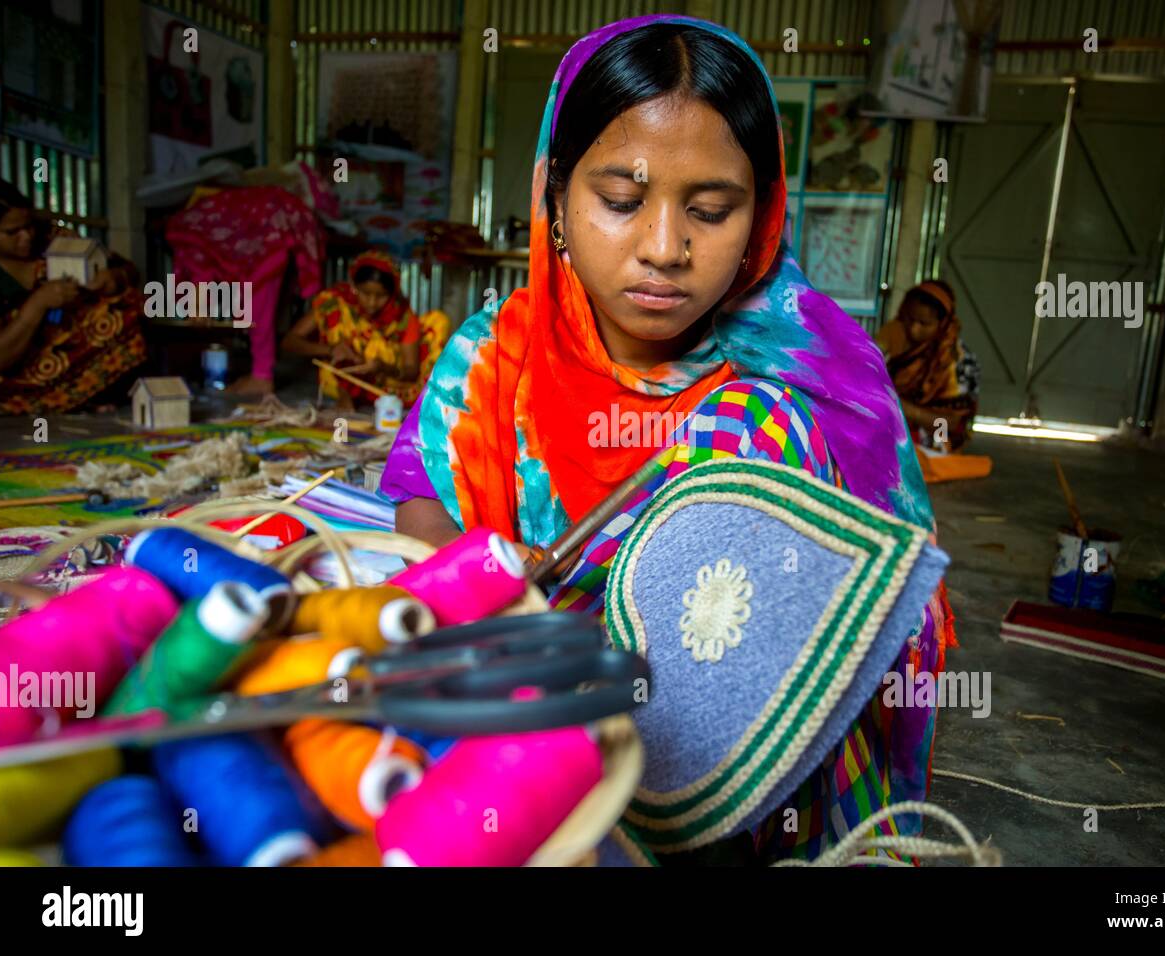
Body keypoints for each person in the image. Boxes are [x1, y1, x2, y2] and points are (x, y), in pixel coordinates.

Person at [381, 16, 954, 862]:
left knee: (751, 426)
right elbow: (422, 499)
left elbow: (883, 594)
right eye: (620, 201)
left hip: (745, 735)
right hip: (534, 706)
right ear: (555, 198)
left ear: (760, 218)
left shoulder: (810, 372)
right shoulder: (496, 355)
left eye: (711, 210)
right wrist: (485, 601)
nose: (664, 249)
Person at [0, 179, 146, 415]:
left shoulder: (53, 237)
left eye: (29, 226)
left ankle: (102, 393)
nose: (26, 236)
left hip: (75, 352)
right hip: (16, 378)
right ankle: (66, 400)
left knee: (126, 301)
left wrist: (115, 277)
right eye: (12, 232)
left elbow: (128, 269)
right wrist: (37, 305)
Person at [281, 250, 448, 409]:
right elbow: (289, 342)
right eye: (365, 294)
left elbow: (411, 371)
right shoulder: (335, 305)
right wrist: (331, 350)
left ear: (392, 293)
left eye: (381, 296)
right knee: (337, 318)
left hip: (390, 386)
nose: (372, 303)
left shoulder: (402, 316)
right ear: (354, 286)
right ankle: (345, 392)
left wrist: (382, 368)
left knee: (438, 321)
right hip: (339, 379)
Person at [877, 279, 981, 451]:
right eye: (909, 319)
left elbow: (954, 425)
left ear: (942, 323)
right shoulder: (897, 332)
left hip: (937, 435)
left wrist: (900, 407)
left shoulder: (958, 361)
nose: (913, 329)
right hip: (895, 418)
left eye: (924, 324)